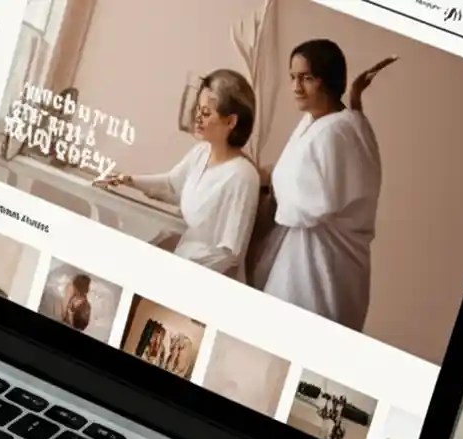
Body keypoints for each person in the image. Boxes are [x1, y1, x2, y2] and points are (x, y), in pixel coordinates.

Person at [251, 39, 397, 331]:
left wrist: (266, 189)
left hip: (318, 272)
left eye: (307, 78)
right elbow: (291, 175)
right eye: (293, 77)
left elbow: (305, 208)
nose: (296, 87)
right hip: (307, 259)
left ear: (327, 80)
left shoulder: (336, 133)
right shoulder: (322, 120)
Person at [98, 69, 261, 280]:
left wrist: (175, 270)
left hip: (207, 281)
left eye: (206, 113)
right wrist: (128, 180)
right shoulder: (202, 152)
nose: (197, 118)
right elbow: (172, 185)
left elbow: (230, 255)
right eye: (198, 110)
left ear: (231, 122)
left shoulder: (243, 177)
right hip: (181, 267)